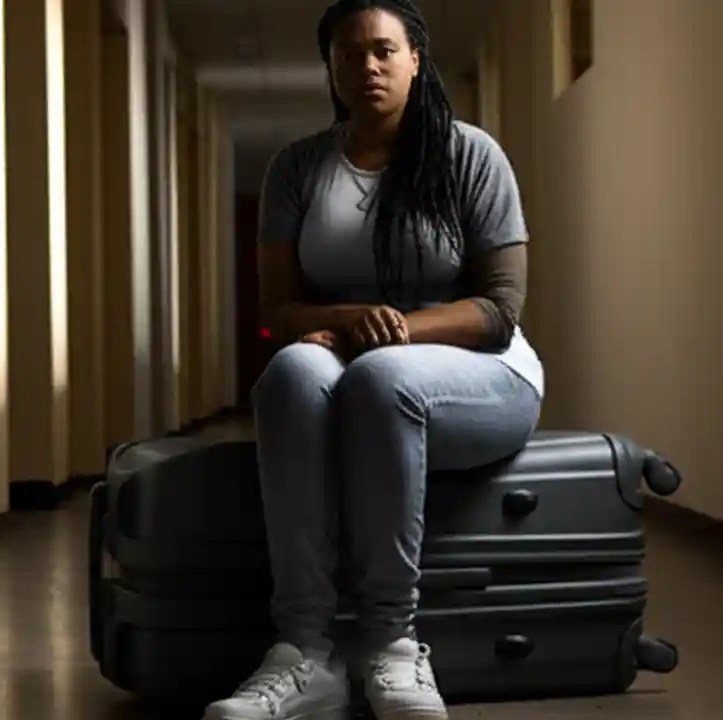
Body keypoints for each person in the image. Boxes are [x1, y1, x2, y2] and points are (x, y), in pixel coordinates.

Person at [203, 1, 543, 718]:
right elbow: (278, 311)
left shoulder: (469, 155)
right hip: (343, 357)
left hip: (481, 373)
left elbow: (498, 309)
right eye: (350, 54)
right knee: (291, 373)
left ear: (416, 58)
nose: (368, 66)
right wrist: (341, 320)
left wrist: (385, 334)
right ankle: (305, 655)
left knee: (383, 379)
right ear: (330, 68)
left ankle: (391, 645)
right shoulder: (298, 168)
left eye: (385, 50)